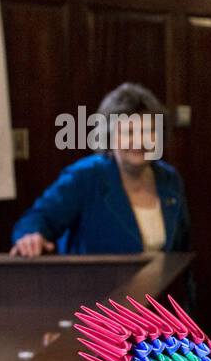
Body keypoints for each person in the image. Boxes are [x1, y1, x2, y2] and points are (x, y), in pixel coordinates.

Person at [10, 83, 190, 257]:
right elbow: (37, 219)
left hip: (161, 289)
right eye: (128, 132)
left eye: (147, 131)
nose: (139, 141)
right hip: (100, 288)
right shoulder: (85, 177)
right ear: (109, 137)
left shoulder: (169, 178)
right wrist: (30, 237)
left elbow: (181, 254)